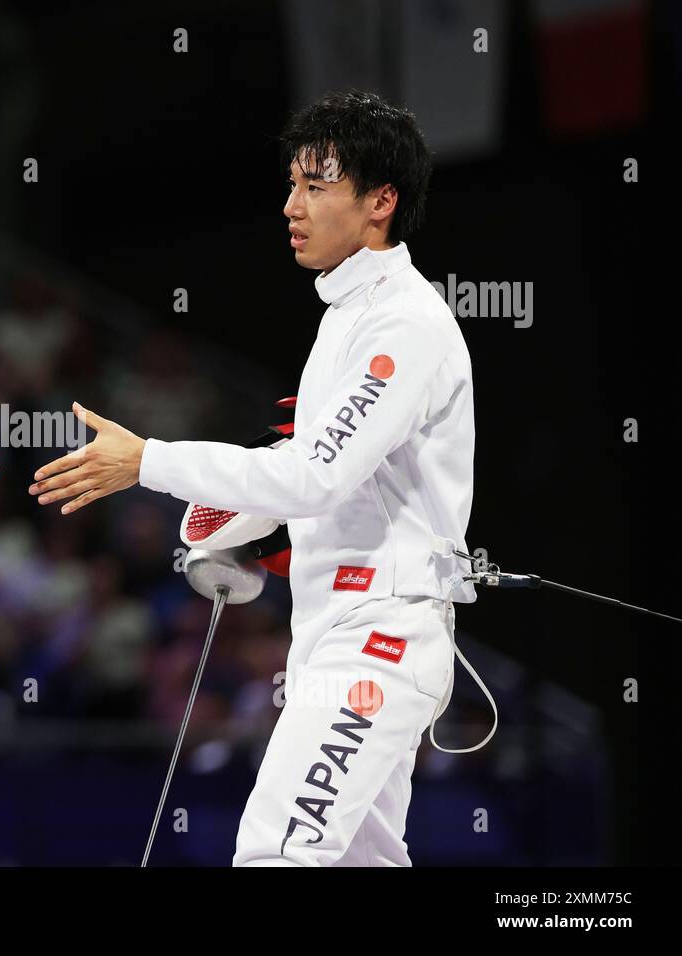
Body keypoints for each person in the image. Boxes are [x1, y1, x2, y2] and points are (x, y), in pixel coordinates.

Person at [29, 89, 475, 866]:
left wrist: (149, 461)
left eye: (316, 186)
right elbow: (325, 484)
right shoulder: (346, 316)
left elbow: (317, 476)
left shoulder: (403, 322)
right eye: (293, 184)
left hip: (379, 641)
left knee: (276, 853)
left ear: (381, 201)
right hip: (340, 633)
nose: (290, 206)